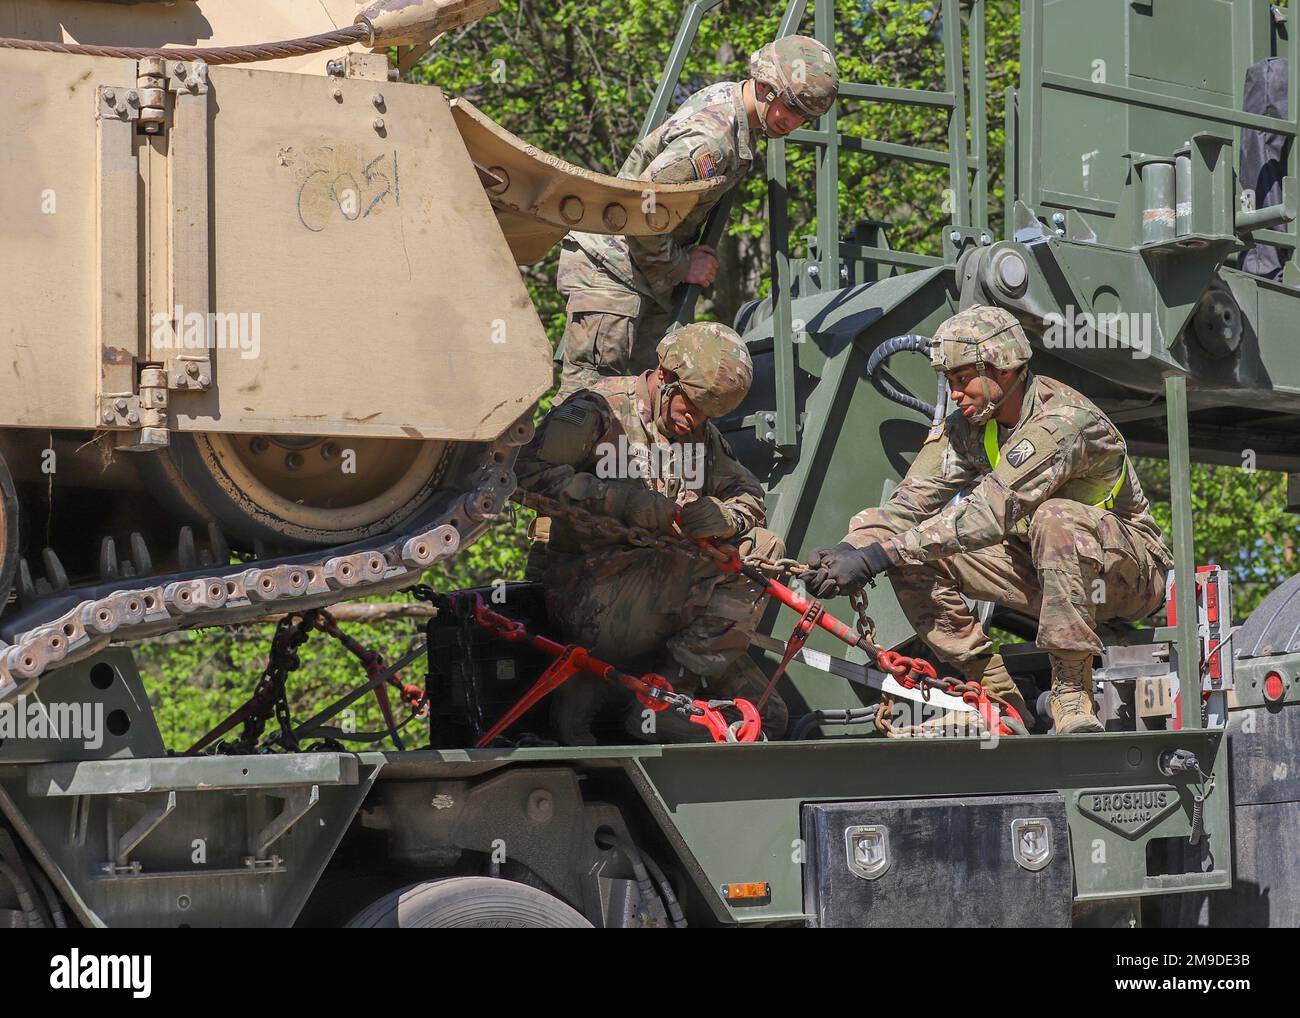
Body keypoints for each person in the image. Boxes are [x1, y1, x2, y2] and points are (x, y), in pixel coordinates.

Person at [800, 305, 1173, 734]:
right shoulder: (969, 428)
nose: (954, 393)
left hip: (1126, 576)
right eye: (949, 383)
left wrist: (877, 556)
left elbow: (987, 515)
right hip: (1043, 568)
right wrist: (853, 548)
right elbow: (907, 505)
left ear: (1004, 367)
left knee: (1055, 519)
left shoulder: (1062, 422)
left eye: (962, 380)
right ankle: (997, 693)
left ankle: (1072, 693)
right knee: (914, 555)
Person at [516, 322, 785, 744]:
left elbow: (747, 492)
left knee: (767, 712)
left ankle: (672, 687)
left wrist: (726, 516)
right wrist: (624, 503)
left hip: (666, 601)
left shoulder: (699, 433)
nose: (694, 419)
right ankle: (659, 699)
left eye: (708, 414)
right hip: (594, 595)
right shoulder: (596, 410)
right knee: (762, 550)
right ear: (664, 375)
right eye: (691, 405)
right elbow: (525, 475)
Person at [555, 35, 839, 398]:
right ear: (765, 86)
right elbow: (641, 209)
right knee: (584, 404)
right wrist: (681, 266)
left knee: (653, 401)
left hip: (640, 267)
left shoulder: (738, 115)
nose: (795, 123)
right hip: (611, 265)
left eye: (806, 117)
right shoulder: (713, 140)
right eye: (792, 108)